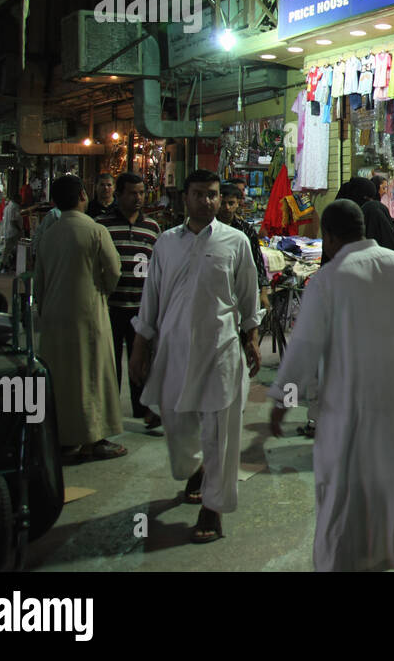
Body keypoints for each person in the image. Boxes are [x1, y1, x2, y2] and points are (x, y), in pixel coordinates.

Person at [267, 200, 394, 571]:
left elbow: (303, 347)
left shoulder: (328, 281)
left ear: (328, 237)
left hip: (351, 411)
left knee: (344, 499)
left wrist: (283, 399)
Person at [129, 169, 262, 544]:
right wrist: (141, 346)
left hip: (220, 348)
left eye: (214, 195)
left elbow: (248, 297)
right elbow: (151, 298)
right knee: (176, 422)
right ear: (184, 198)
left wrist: (251, 338)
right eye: (200, 194)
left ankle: (213, 507)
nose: (207, 201)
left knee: (220, 431)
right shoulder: (166, 244)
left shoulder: (235, 242)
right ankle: (195, 467)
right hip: (173, 349)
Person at [34, 175, 126, 463]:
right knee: (92, 375)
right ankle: (93, 439)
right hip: (88, 313)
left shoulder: (49, 233)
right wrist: (100, 292)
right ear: (83, 196)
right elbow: (114, 272)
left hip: (53, 315)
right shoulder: (96, 231)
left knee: (61, 378)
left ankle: (65, 440)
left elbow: (39, 282)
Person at [96, 172, 163, 429]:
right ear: (119, 194)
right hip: (110, 307)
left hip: (141, 308)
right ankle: (108, 416)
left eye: (141, 193)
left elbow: (158, 267)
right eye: (132, 193)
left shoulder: (153, 228)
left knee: (142, 361)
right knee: (109, 363)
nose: (138, 198)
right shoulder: (102, 225)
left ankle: (143, 410)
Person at [217, 184, 271, 313]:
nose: (227, 208)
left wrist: (263, 292)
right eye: (223, 203)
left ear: (238, 204)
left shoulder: (246, 230)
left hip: (241, 287)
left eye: (231, 203)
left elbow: (258, 262)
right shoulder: (209, 229)